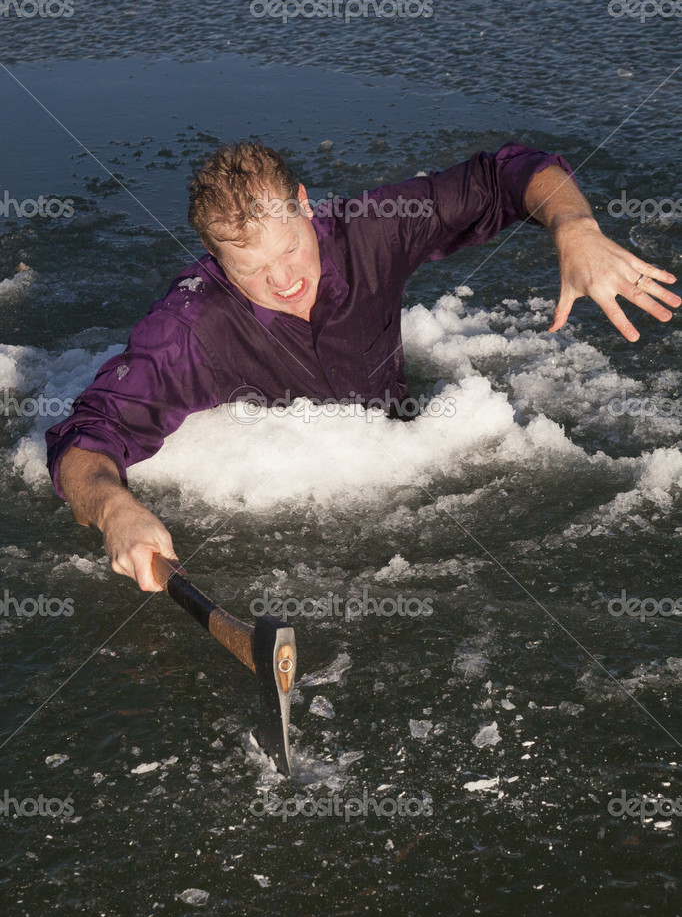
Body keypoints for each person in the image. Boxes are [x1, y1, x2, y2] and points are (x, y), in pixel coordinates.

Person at [45, 140, 680, 593]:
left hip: (401, 453)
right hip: (297, 522)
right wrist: (114, 511)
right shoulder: (191, 327)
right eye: (253, 269)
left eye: (291, 247)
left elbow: (508, 173)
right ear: (213, 257)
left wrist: (576, 229)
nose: (287, 278)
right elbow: (86, 437)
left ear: (304, 206)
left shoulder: (368, 230)